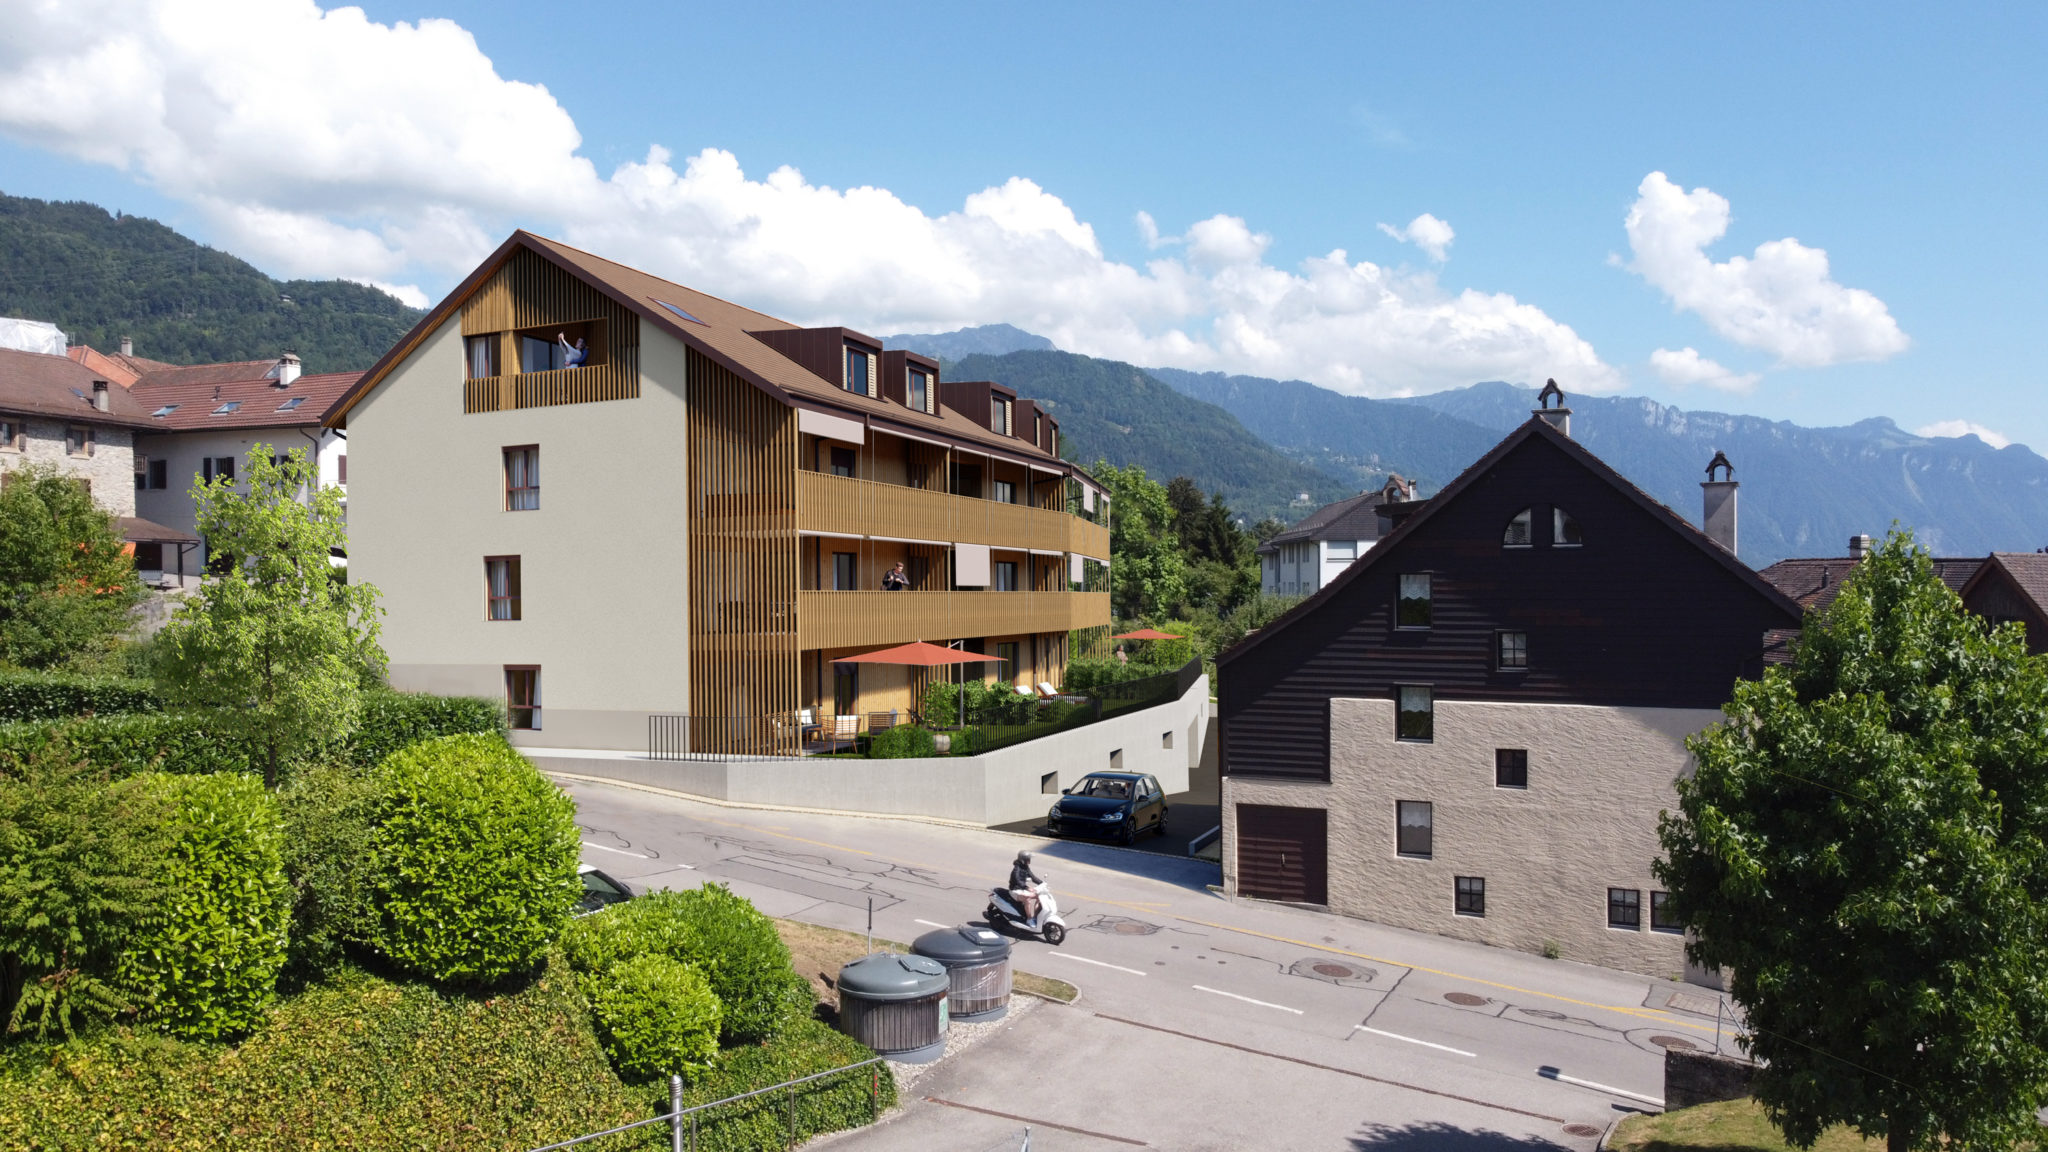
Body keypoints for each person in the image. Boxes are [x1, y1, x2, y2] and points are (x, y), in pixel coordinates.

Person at [1008, 849, 1044, 925]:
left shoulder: (1025, 867)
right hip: (1015, 891)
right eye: (1028, 859)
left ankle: (1035, 917)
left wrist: (1042, 883)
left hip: (1022, 889)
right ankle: (1029, 919)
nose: (1029, 860)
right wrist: (1027, 888)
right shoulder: (1016, 869)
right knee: (1027, 899)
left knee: (1040, 897)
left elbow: (1033, 877)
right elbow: (1017, 880)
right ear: (1023, 859)